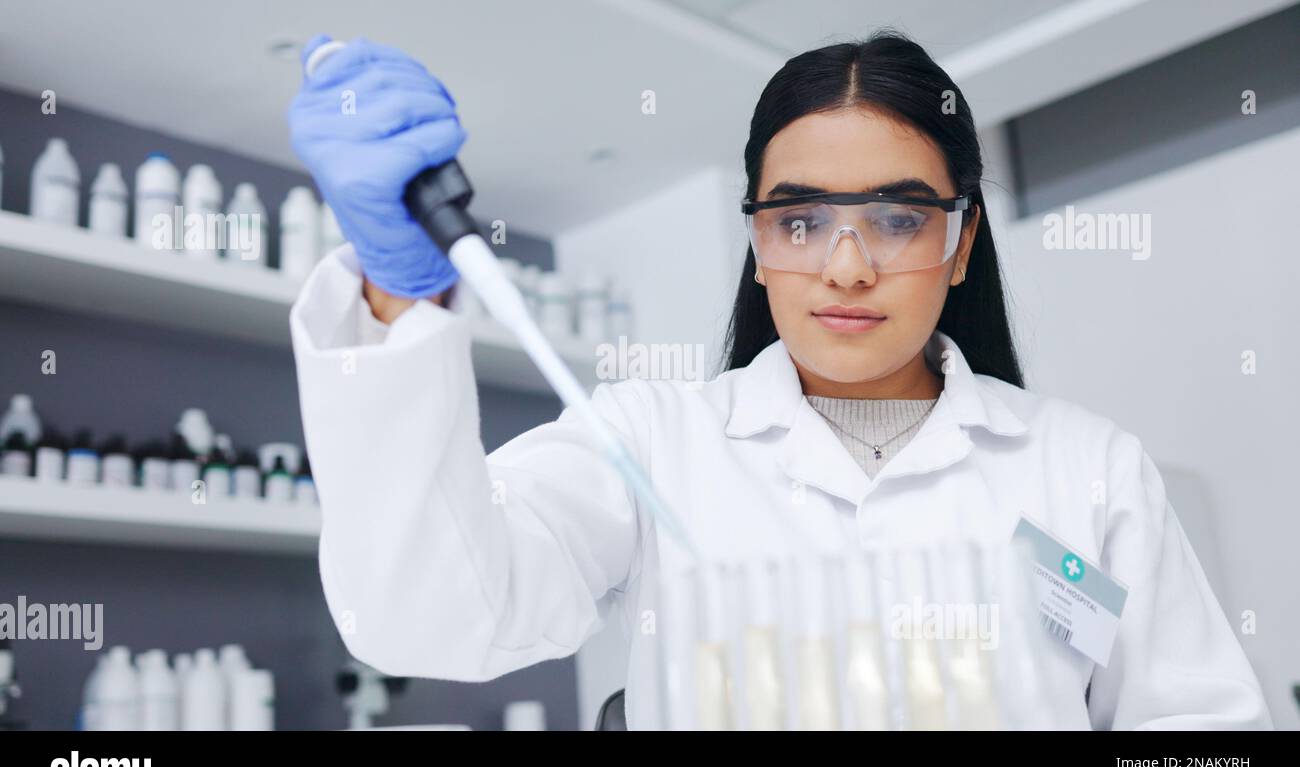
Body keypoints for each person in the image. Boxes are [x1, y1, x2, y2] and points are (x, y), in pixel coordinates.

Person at [286, 32, 1270, 730]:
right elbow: (431, 613)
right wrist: (395, 293)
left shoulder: (1083, 470)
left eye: (895, 217)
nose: (844, 266)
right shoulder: (652, 442)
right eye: (799, 220)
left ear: (960, 240)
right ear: (757, 244)